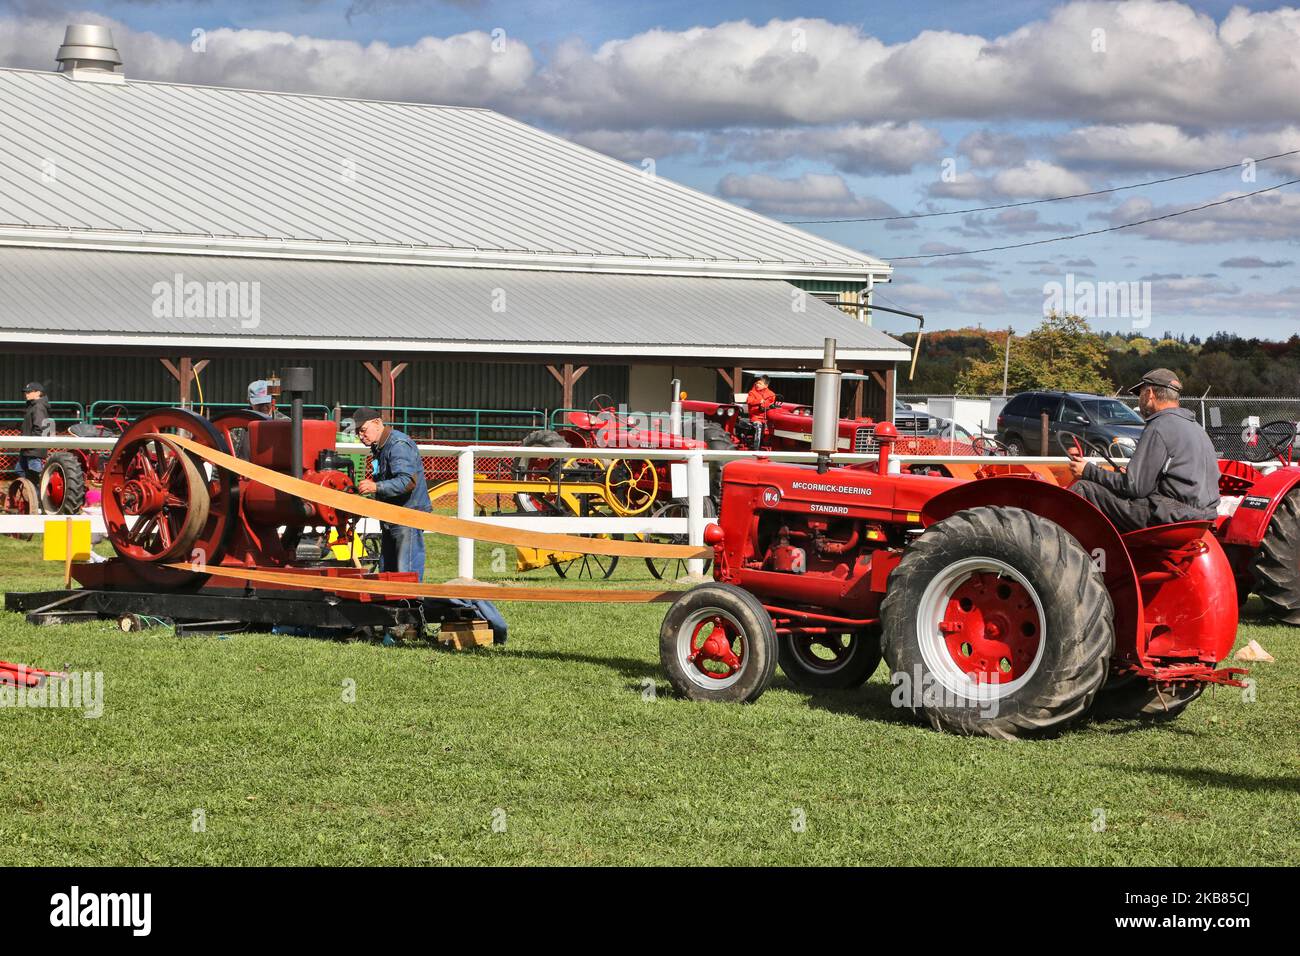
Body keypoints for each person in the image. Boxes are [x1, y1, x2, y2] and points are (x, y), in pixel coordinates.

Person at [1067, 368, 1220, 532]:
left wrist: (1088, 470)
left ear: (1149, 393)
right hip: (1202, 517)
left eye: (1140, 394)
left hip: (1169, 517)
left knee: (1084, 488)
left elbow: (1136, 488)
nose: (1140, 400)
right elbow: (1176, 481)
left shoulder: (1159, 426)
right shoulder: (1195, 427)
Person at [353, 407, 431, 580]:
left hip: (408, 515)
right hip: (394, 515)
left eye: (363, 430)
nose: (360, 435)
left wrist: (376, 487)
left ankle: (411, 604)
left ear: (377, 423)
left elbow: (407, 481)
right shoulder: (381, 446)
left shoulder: (397, 444)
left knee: (406, 571)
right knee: (388, 570)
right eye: (358, 432)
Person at [18, 382, 54, 486]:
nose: (26, 394)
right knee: (20, 470)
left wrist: (32, 444)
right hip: (29, 447)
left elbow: (40, 427)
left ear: (38, 393)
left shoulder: (38, 407)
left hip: (33, 449)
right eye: (26, 392)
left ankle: (38, 498)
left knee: (35, 476)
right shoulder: (34, 406)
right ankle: (31, 493)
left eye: (29, 392)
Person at [745, 374, 777, 450]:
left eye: (760, 383)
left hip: (768, 417)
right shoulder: (752, 392)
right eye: (756, 383)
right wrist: (760, 401)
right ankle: (757, 448)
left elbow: (770, 404)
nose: (757, 385)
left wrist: (766, 405)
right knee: (758, 426)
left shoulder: (771, 394)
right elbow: (749, 401)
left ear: (766, 385)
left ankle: (773, 445)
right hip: (756, 417)